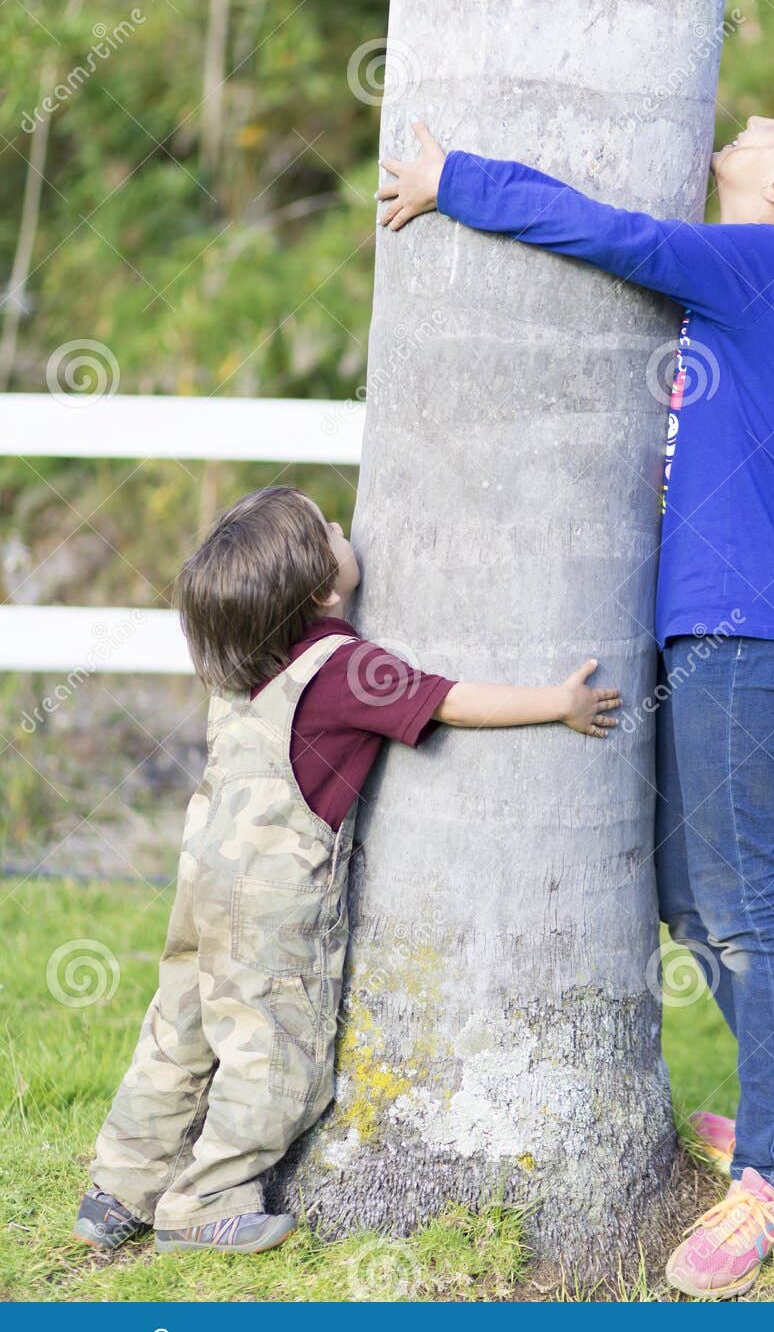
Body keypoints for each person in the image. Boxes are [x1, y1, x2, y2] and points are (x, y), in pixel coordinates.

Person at [376, 101, 774, 1298]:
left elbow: (616, 237)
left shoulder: (763, 261)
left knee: (739, 903)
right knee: (685, 893)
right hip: (714, 631)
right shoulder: (767, 272)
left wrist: (456, 175)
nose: (756, 116)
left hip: (741, 630)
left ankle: (769, 1181)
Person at [74, 485, 619, 1256]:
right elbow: (452, 701)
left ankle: (118, 1188)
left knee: (180, 1032)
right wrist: (556, 701)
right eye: (327, 528)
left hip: (205, 881)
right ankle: (206, 1200)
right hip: (270, 907)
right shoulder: (347, 667)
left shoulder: (242, 662)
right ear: (322, 588)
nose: (341, 524)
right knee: (277, 1057)